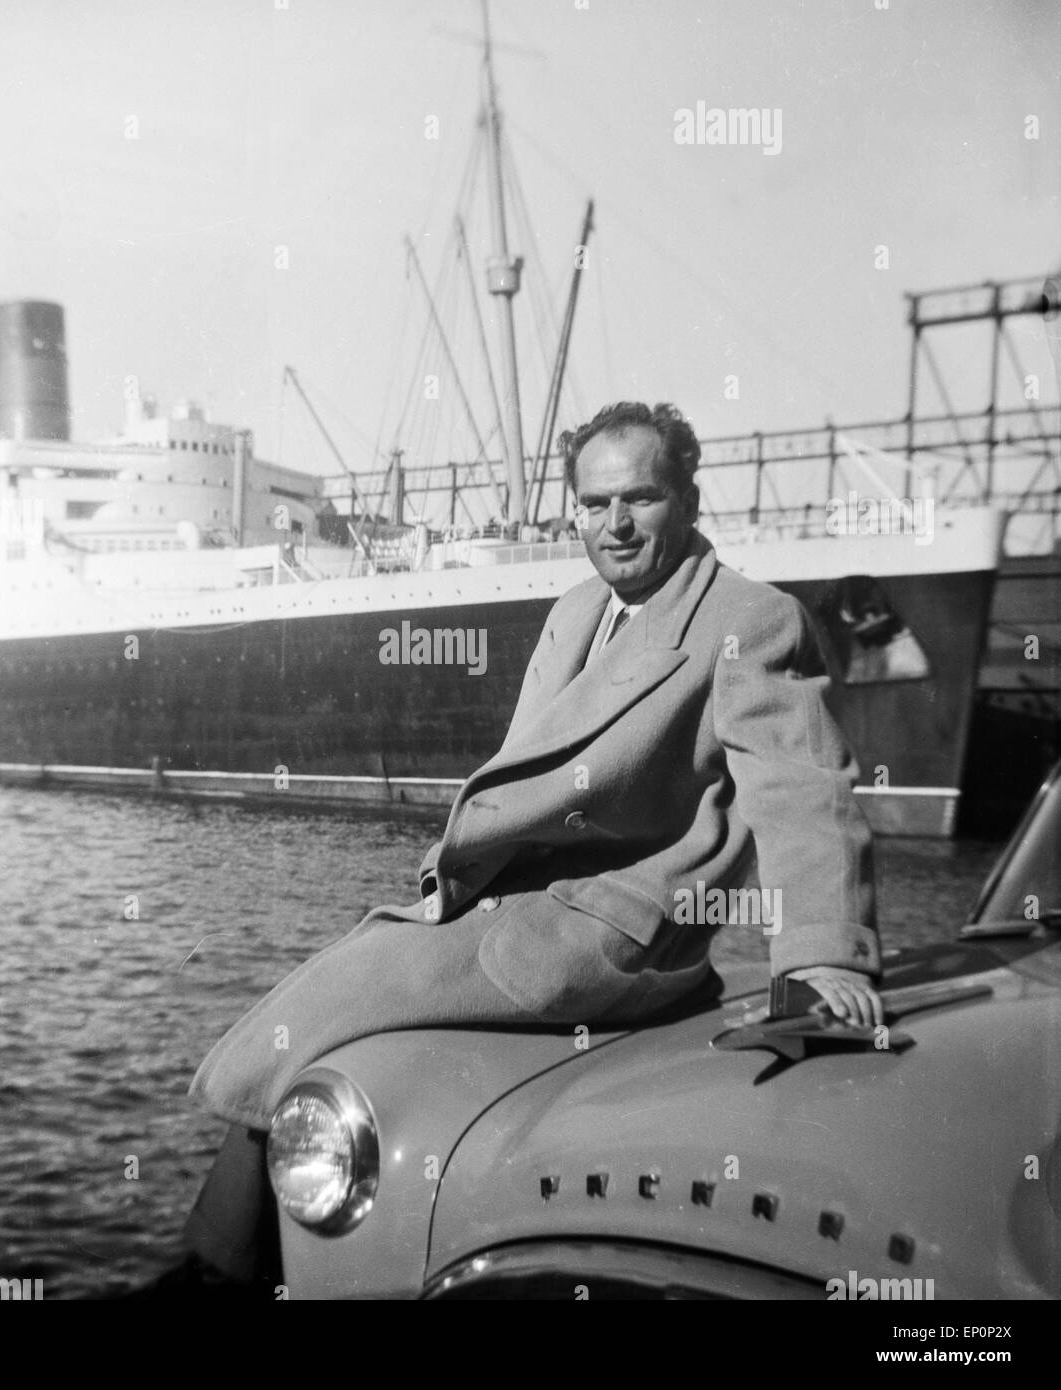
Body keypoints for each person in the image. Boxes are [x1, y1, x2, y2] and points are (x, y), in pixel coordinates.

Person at [183, 400, 882, 1287]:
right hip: (528, 902)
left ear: (689, 498)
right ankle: (227, 1264)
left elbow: (802, 788)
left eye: (640, 498)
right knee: (328, 1001)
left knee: (322, 1007)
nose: (615, 525)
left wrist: (825, 957)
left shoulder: (751, 619)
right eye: (593, 505)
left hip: (609, 925)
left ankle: (211, 1275)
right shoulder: (578, 609)